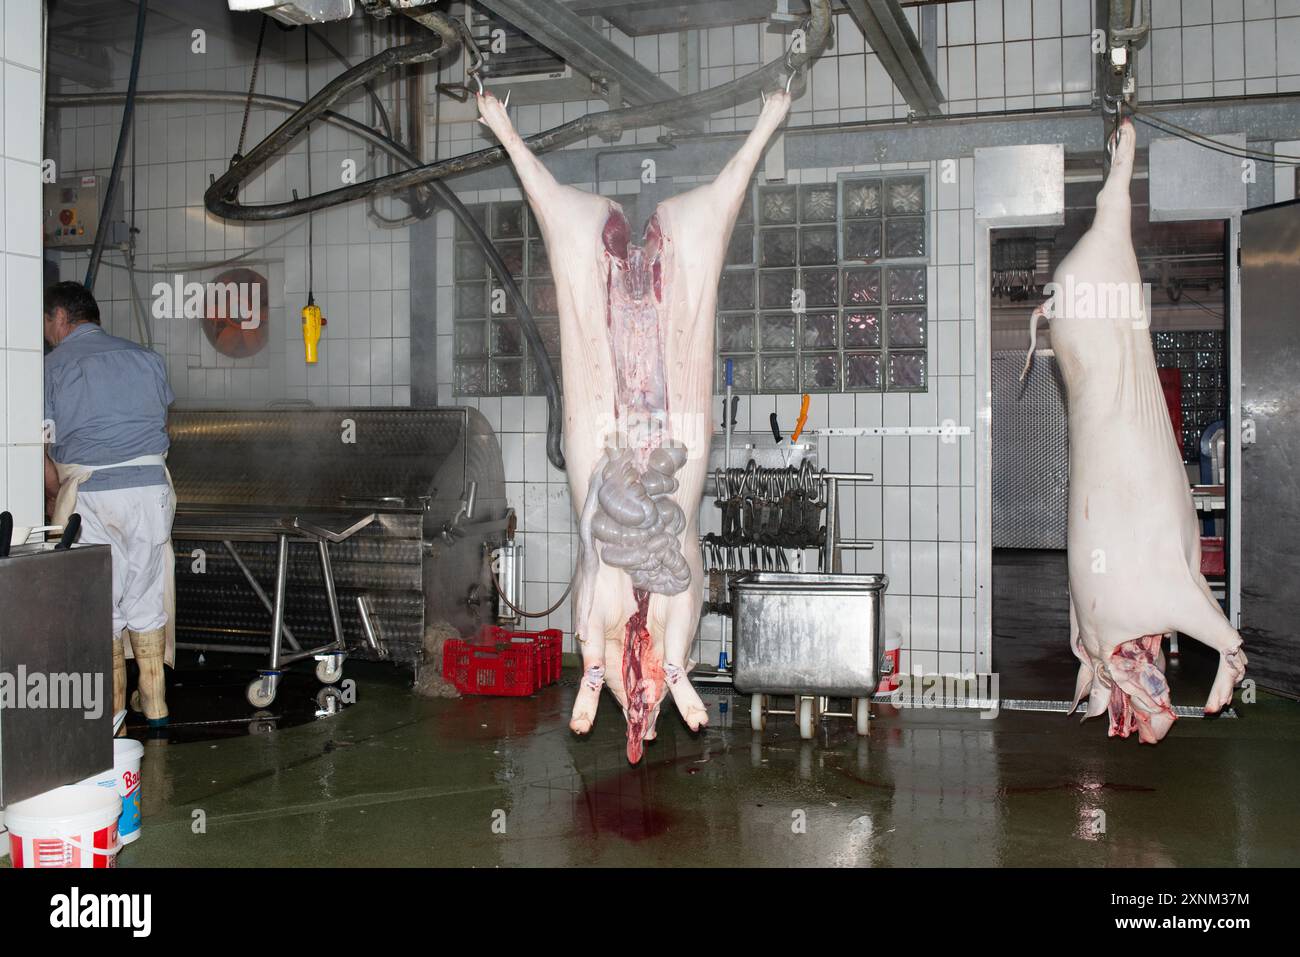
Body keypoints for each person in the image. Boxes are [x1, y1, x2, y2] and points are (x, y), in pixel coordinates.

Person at [43, 281, 176, 728]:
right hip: (150, 489)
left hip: (91, 493)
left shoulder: (51, 366)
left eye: (47, 324)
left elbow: (41, 452)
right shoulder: (146, 358)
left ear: (60, 318)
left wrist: (53, 495)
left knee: (104, 605)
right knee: (145, 597)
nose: (47, 333)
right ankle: (155, 708)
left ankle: (113, 720)